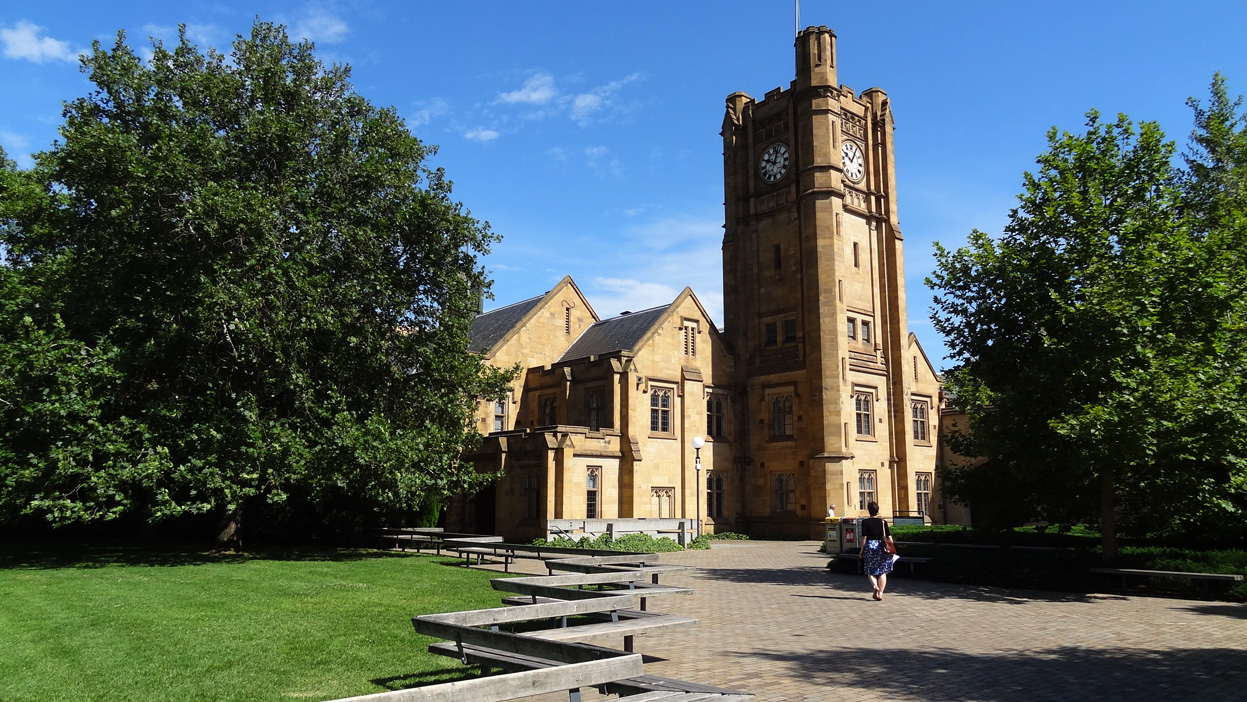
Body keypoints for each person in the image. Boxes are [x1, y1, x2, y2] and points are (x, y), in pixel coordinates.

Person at [857, 500, 894, 600]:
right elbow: (889, 537)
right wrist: (891, 547)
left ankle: (875, 586)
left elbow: (864, 537)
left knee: (870, 570)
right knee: (882, 571)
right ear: (877, 510)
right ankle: (880, 593)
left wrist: (861, 550)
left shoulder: (865, 522)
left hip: (870, 546)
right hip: (881, 547)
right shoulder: (883, 522)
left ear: (868, 511)